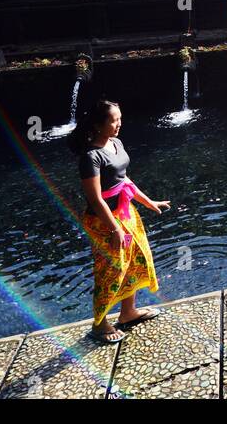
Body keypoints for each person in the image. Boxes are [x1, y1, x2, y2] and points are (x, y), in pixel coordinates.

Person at [69, 99, 169, 343]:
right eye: (114, 120)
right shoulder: (90, 157)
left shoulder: (116, 143)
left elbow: (124, 180)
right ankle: (100, 324)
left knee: (135, 261)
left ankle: (128, 313)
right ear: (98, 124)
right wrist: (114, 229)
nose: (118, 124)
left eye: (120, 118)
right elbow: (94, 199)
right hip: (104, 223)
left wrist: (148, 202)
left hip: (126, 213)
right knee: (110, 271)